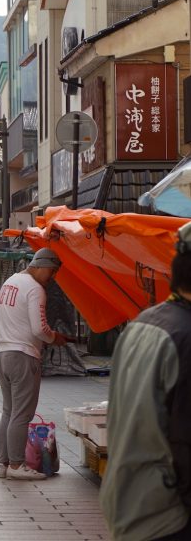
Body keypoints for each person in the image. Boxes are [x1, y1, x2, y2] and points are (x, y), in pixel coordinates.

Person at [101, 222, 191, 540]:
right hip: (169, 513)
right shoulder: (185, 336)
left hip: (128, 500)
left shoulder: (144, 322)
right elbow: (184, 441)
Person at [0, 248, 70, 481]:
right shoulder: (35, 289)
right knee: (21, 414)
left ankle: (3, 464)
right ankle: (17, 466)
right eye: (53, 271)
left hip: (2, 353)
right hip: (23, 354)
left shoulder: (10, 282)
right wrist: (55, 338)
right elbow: (39, 329)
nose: (53, 277)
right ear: (41, 265)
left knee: (8, 411)